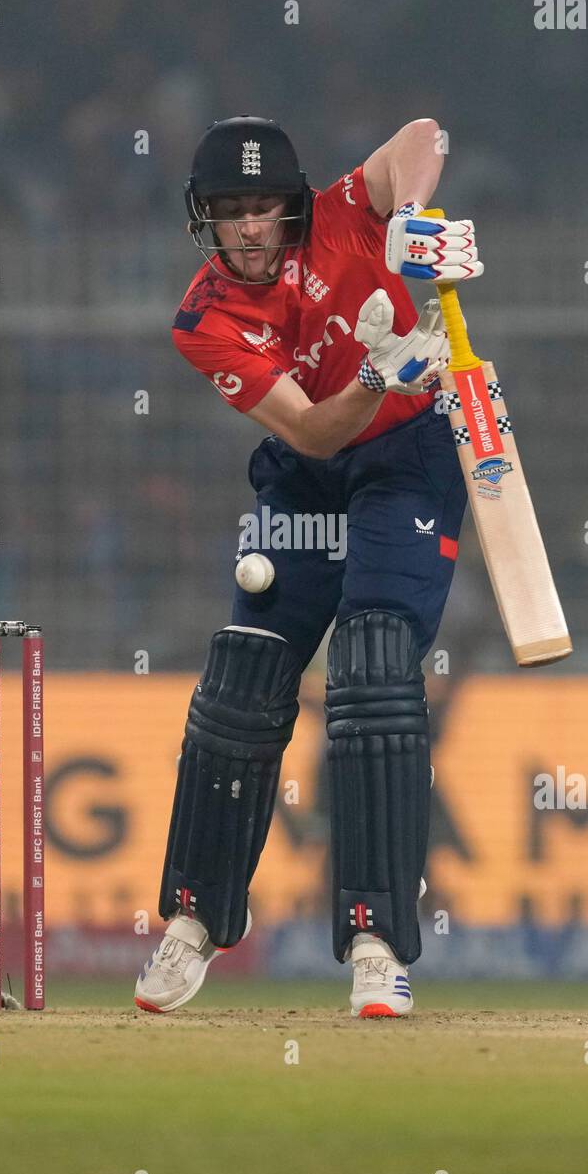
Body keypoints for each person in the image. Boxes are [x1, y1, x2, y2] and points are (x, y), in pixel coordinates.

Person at [135, 115, 482, 1017]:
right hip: (311, 466)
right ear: (204, 219)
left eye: (265, 208)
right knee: (243, 677)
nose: (251, 228)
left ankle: (375, 944)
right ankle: (192, 923)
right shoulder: (204, 319)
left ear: (293, 205)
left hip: (409, 456)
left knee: (373, 665)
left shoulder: (340, 215)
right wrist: (378, 370)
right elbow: (312, 429)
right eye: (230, 211)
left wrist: (410, 216)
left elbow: (422, 134)